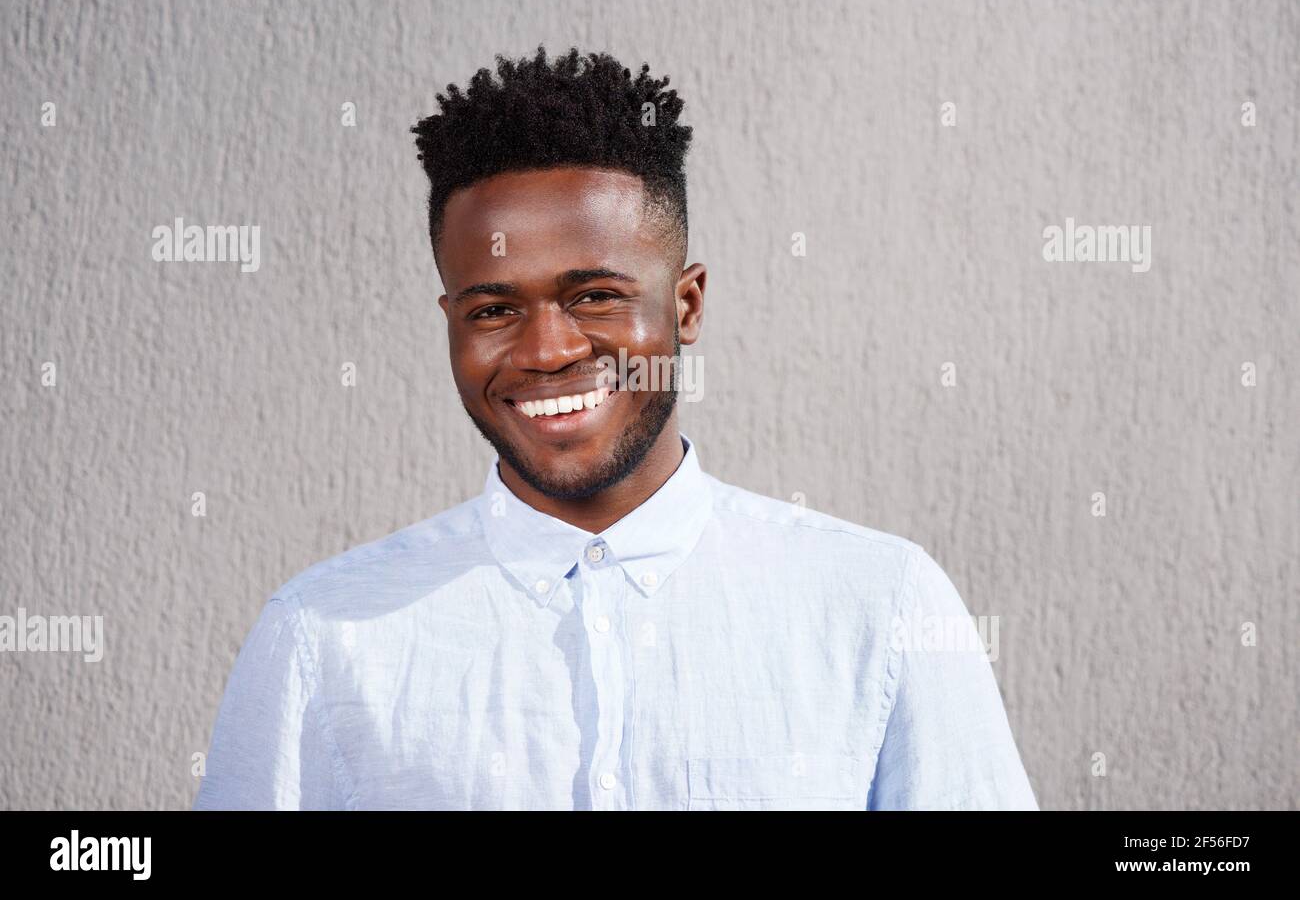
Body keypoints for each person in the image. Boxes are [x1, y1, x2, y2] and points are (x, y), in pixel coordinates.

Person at [194, 45, 1038, 810]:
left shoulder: (880, 605)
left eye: (595, 295)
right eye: (494, 308)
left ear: (687, 304)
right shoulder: (321, 636)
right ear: (449, 320)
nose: (548, 350)